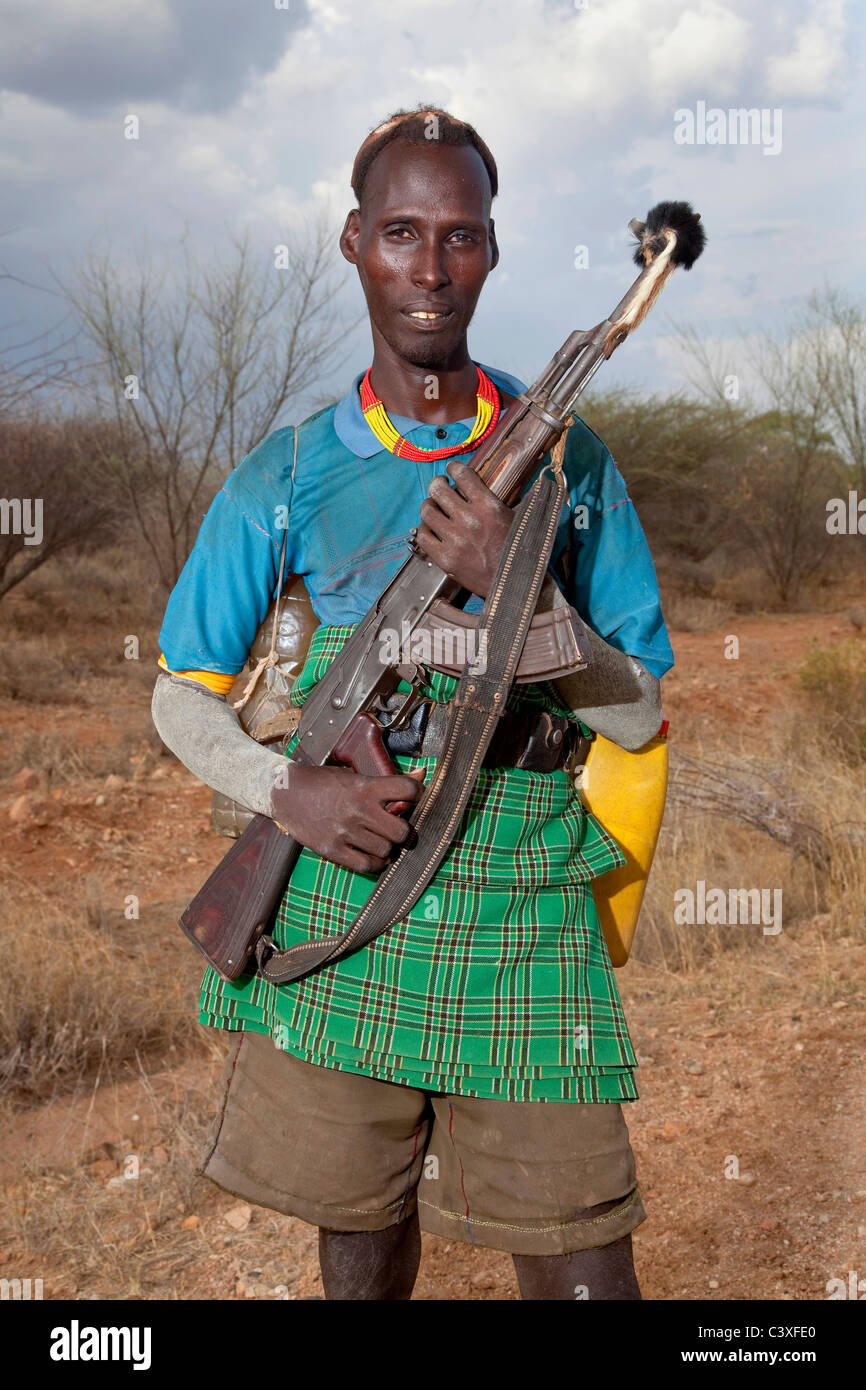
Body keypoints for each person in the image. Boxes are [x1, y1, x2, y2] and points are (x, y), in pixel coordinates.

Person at [152, 105, 674, 1301]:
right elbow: (179, 701)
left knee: (585, 1260)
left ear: (491, 250)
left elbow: (638, 716)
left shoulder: (570, 466)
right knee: (362, 1246)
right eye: (399, 233)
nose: (429, 272)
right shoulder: (284, 473)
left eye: (460, 237)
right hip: (347, 880)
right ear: (351, 244)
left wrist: (520, 602)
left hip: (523, 893)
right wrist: (290, 791)